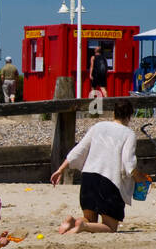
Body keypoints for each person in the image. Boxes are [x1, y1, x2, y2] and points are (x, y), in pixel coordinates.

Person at [51, 98, 142, 234]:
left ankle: (73, 221)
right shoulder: (129, 134)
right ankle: (83, 226)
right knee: (110, 227)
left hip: (88, 178)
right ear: (129, 116)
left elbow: (78, 150)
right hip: (109, 182)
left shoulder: (98, 127)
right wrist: (139, 178)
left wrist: (60, 169)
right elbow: (128, 163)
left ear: (114, 113)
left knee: (89, 218)